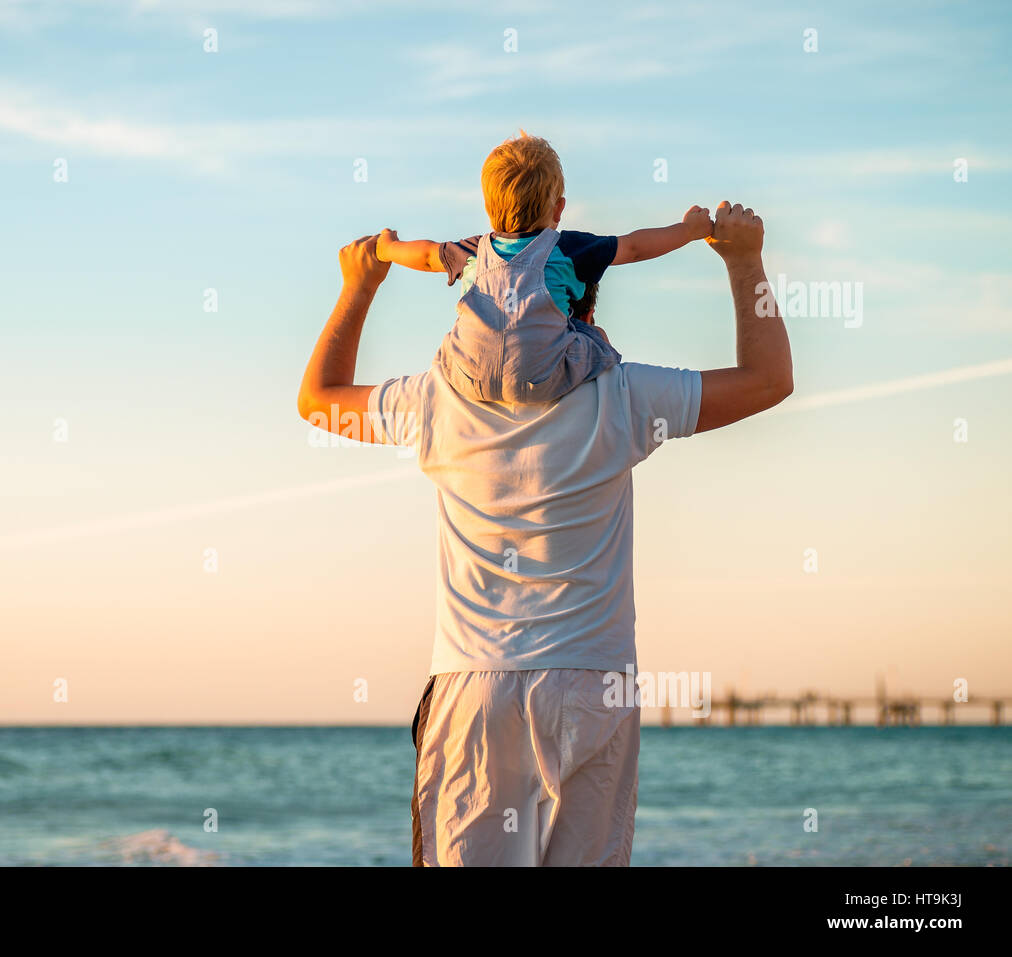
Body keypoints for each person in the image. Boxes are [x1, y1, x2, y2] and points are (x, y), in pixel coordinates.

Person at [297, 200, 792, 866]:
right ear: (585, 314)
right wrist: (744, 261)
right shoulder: (624, 395)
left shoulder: (438, 400)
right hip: (591, 682)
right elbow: (768, 380)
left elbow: (320, 396)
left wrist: (360, 285)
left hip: (473, 682)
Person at [375, 132, 712, 403]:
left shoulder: (472, 251)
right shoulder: (567, 249)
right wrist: (690, 230)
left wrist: (387, 247)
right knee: (595, 339)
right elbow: (635, 247)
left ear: (489, 207)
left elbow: (425, 255)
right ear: (559, 208)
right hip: (542, 378)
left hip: (467, 376)